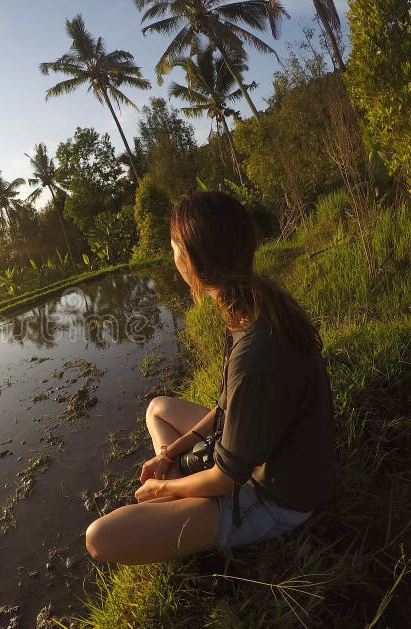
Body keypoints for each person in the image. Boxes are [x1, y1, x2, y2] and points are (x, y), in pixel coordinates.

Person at [85, 190, 334, 564]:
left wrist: (164, 487)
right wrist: (172, 451)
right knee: (158, 408)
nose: (172, 257)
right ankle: (185, 488)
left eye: (173, 248)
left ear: (190, 259)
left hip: (276, 498)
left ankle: (190, 498)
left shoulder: (256, 352)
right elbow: (225, 404)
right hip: (261, 452)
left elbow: (228, 479)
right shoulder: (254, 307)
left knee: (100, 538)